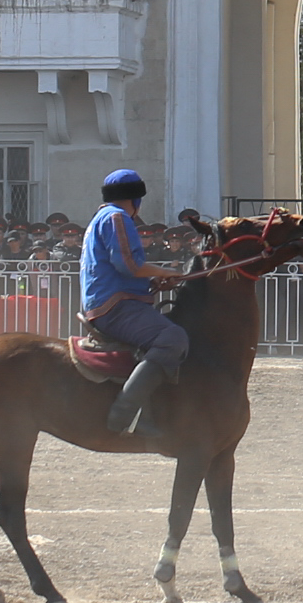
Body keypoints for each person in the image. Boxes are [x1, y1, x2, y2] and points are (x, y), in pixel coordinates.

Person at [83, 169, 189, 438]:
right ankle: (126, 414)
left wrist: (153, 282)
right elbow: (128, 265)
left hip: (113, 299)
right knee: (173, 337)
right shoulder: (118, 218)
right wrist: (166, 272)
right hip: (115, 306)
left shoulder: (101, 218)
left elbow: (121, 270)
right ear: (136, 198)